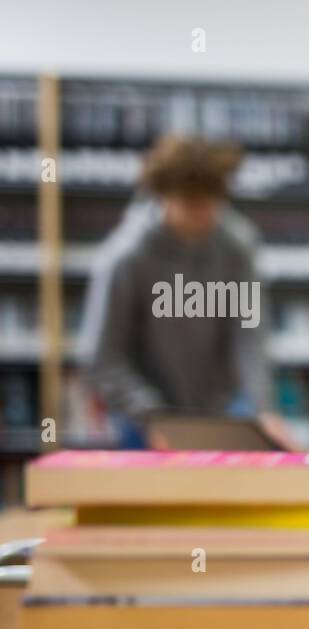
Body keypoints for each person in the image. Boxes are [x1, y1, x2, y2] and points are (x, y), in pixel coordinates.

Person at [82, 135, 292, 448]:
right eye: (191, 203)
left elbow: (249, 335)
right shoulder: (127, 256)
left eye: (211, 202)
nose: (203, 213)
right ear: (163, 196)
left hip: (218, 412)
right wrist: (151, 415)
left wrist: (264, 409)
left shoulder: (238, 248)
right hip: (142, 418)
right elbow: (100, 355)